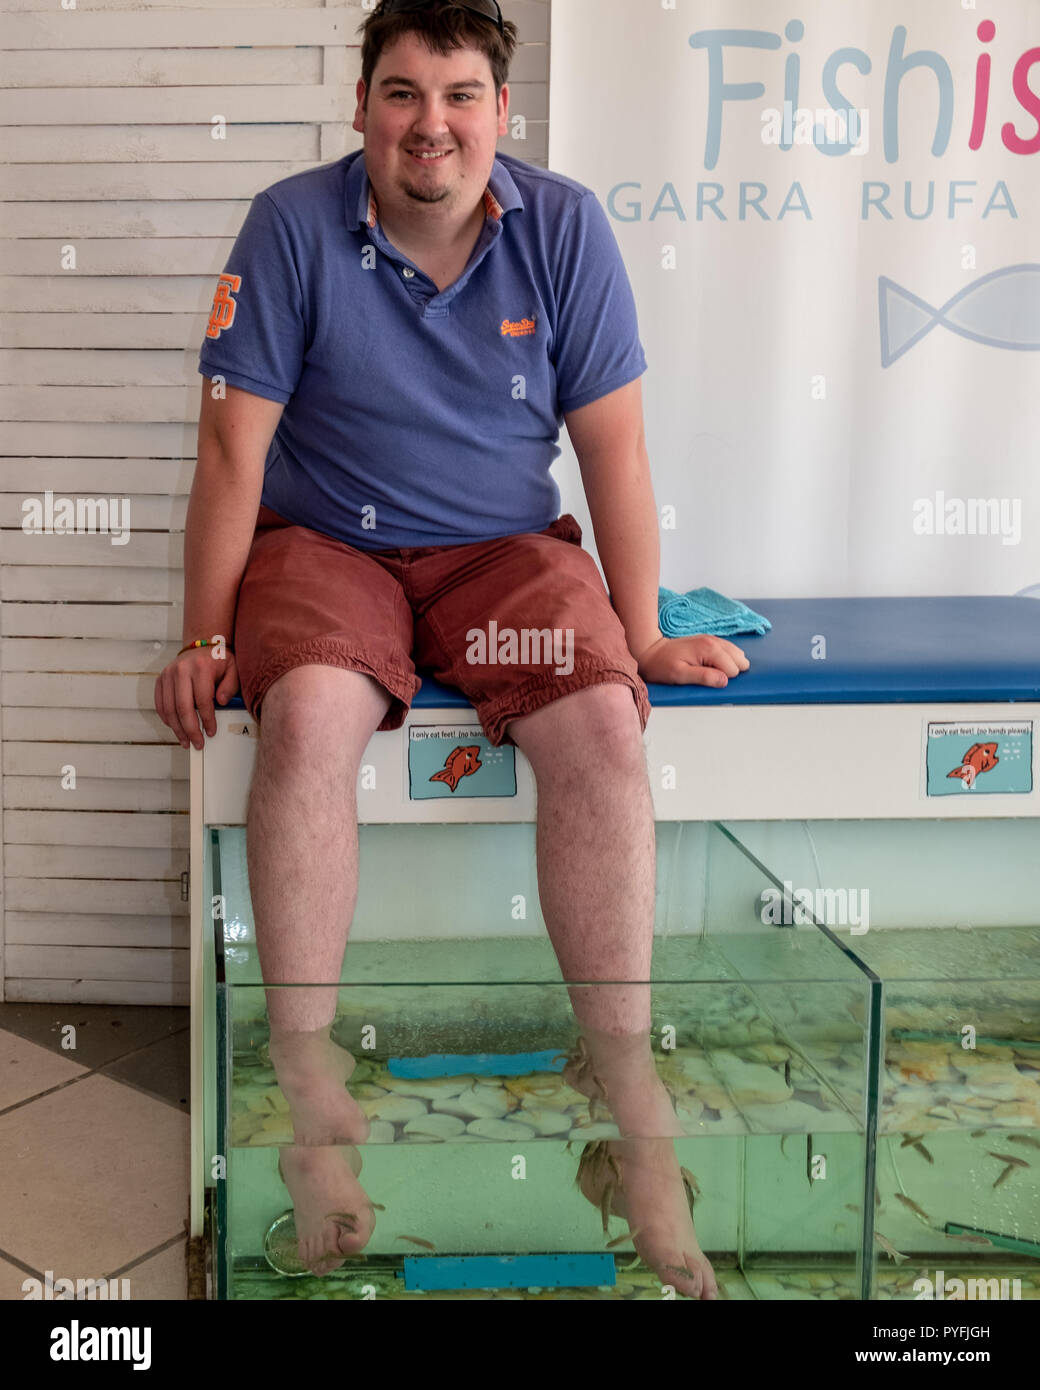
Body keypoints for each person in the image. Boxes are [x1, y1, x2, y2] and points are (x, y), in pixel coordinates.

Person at [154, 0, 749, 1300]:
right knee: (306, 713)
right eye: (406, 93)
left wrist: (641, 633)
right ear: (362, 106)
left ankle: (625, 1102)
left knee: (601, 723)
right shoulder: (290, 226)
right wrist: (203, 629)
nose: (434, 123)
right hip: (327, 548)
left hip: (501, 550)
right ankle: (311, 1086)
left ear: (499, 111)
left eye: (461, 94)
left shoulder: (568, 228)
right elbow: (231, 449)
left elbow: (614, 451)